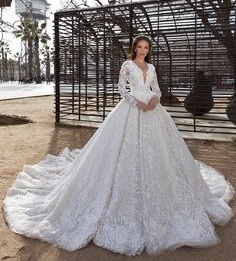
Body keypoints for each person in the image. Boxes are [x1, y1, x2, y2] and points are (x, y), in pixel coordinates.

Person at [3, 35, 234, 256]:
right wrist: (138, 102)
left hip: (154, 112)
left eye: (146, 48)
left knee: (163, 155)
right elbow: (122, 89)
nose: (143, 51)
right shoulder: (127, 65)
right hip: (131, 110)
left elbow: (157, 89)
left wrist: (154, 100)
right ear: (134, 48)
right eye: (140, 47)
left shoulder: (151, 68)